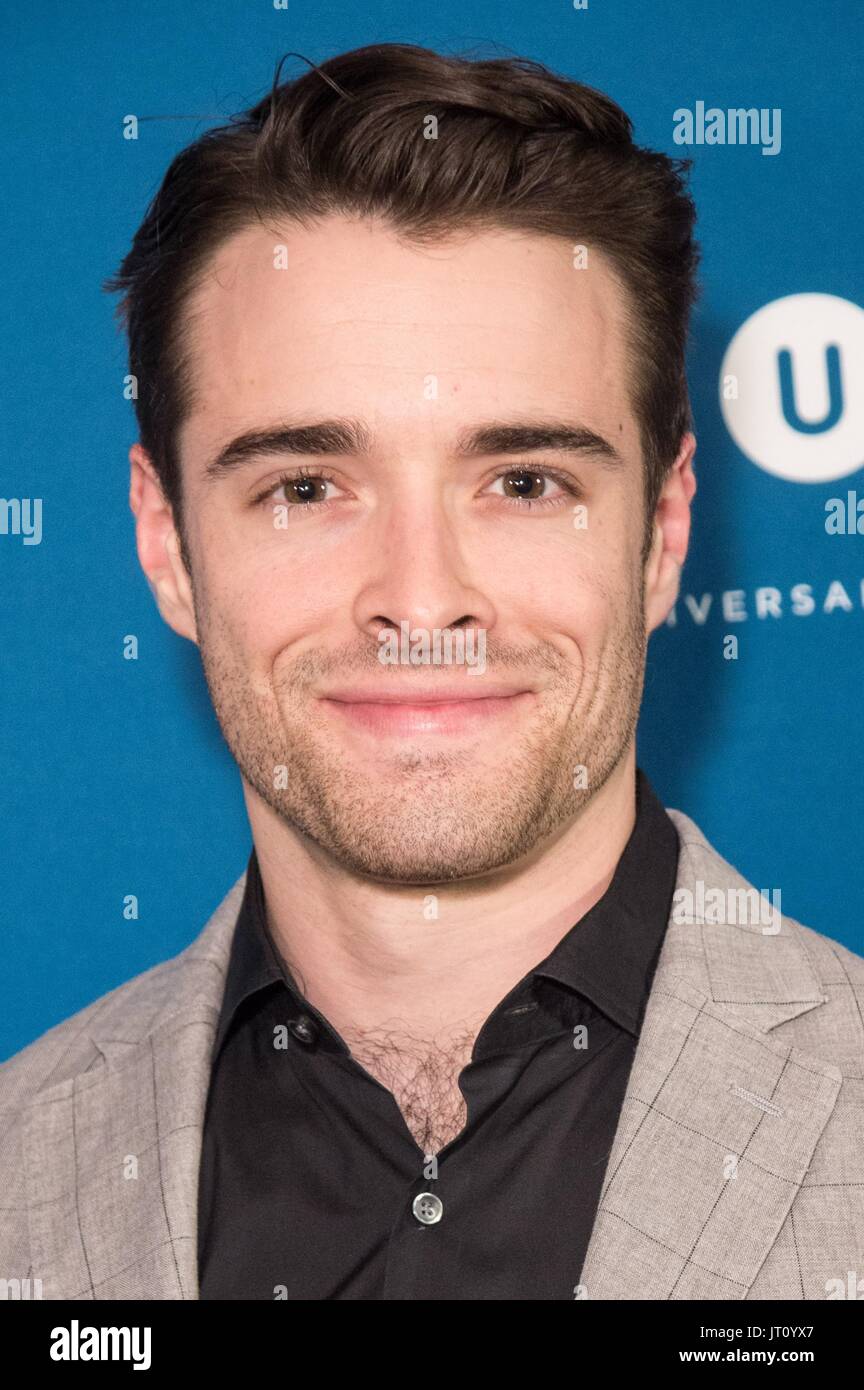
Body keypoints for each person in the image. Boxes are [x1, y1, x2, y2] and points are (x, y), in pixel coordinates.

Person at [1, 43, 861, 1302]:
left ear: (665, 533)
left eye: (523, 482)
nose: (419, 595)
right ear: (166, 544)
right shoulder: (22, 1164)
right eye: (304, 487)